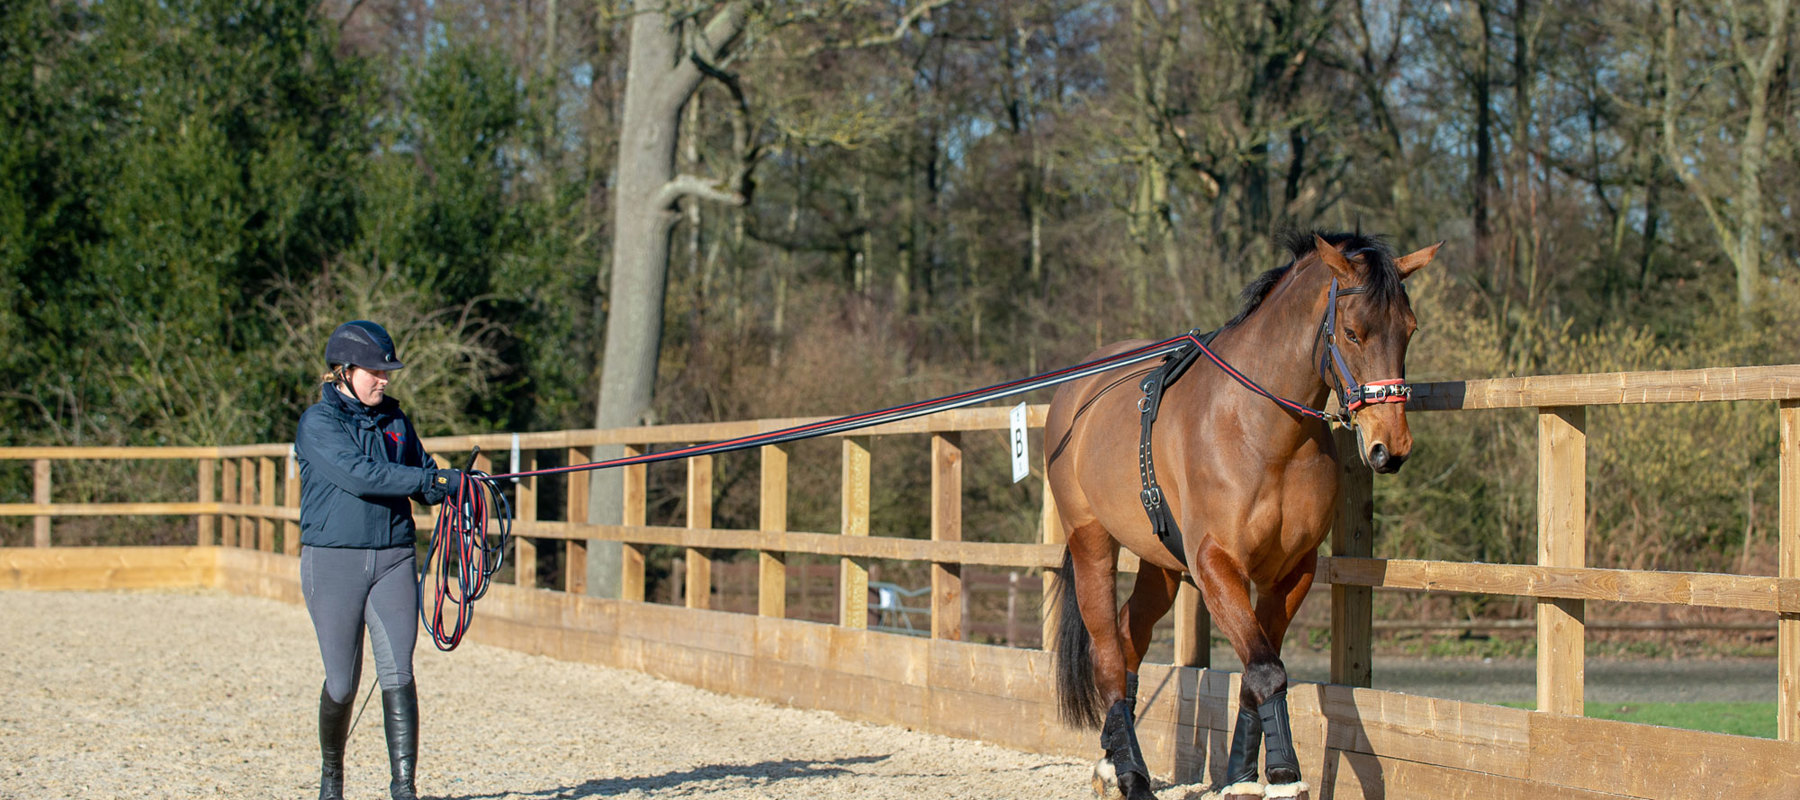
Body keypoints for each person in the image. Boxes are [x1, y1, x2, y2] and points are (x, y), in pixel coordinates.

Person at [295, 320, 461, 800]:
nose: (384, 379)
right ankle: (332, 778)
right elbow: (362, 475)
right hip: (334, 564)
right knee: (343, 684)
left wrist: (450, 485)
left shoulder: (396, 422)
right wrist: (419, 480)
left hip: (392, 558)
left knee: (399, 673)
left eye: (387, 371)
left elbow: (421, 474)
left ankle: (404, 788)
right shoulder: (318, 425)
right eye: (374, 370)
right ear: (343, 371)